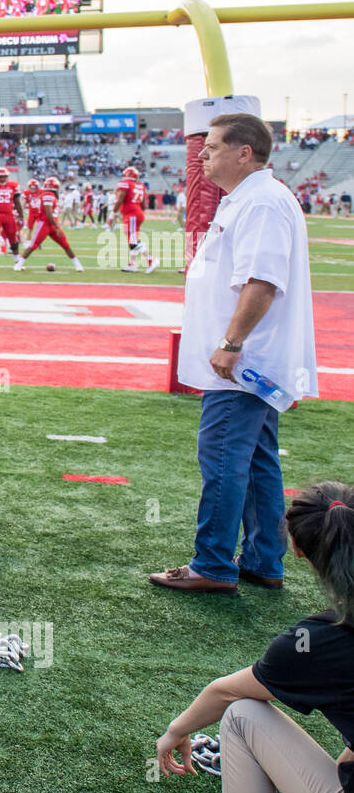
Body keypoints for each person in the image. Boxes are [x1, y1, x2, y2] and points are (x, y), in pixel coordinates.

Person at [150, 113, 318, 595]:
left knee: (223, 458)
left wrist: (231, 343)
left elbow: (262, 282)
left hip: (243, 364)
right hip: (250, 362)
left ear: (244, 153)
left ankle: (213, 564)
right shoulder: (250, 198)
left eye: (214, 146)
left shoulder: (261, 202)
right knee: (258, 460)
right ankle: (263, 559)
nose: (202, 155)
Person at [157, 482, 353, 793]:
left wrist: (175, 731)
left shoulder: (317, 640)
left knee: (241, 714)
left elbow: (225, 692)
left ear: (298, 549)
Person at [17, 176, 84, 272]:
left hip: (52, 224)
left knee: (65, 244)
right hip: (45, 224)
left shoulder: (50, 195)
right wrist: (57, 227)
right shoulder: (48, 195)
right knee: (33, 245)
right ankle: (19, 264)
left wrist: (56, 225)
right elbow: (48, 213)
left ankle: (78, 264)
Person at [111, 166, 157, 273]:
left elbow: (120, 200)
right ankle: (132, 264)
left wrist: (112, 214)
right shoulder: (141, 186)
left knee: (133, 241)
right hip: (136, 213)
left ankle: (151, 260)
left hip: (131, 215)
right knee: (131, 239)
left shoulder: (125, 184)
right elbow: (142, 204)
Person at [0, 167, 23, 262]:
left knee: (13, 237)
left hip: (9, 215)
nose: (2, 179)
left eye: (4, 177)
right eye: (0, 177)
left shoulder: (13, 185)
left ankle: (17, 258)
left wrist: (21, 215)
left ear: (7, 177)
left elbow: (17, 202)